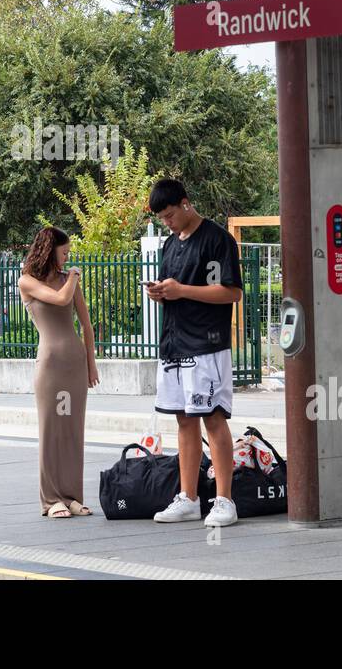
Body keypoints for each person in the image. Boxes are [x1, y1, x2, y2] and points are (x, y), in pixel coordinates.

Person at [145, 179, 243, 527]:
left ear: (186, 204)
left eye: (170, 215)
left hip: (206, 343)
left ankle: (225, 500)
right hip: (174, 343)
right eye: (162, 219)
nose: (167, 223)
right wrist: (161, 292)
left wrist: (181, 290)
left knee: (212, 417)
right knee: (183, 418)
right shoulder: (171, 245)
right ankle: (188, 497)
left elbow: (230, 292)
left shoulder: (218, 240)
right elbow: (175, 290)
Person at [18, 226, 99, 519]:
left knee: (73, 431)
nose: (67, 259)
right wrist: (75, 277)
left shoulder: (68, 281)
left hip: (74, 364)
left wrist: (91, 364)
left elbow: (86, 326)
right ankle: (51, 499)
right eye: (64, 253)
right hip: (50, 367)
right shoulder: (27, 281)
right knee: (51, 431)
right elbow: (61, 300)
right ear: (49, 251)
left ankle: (72, 496)